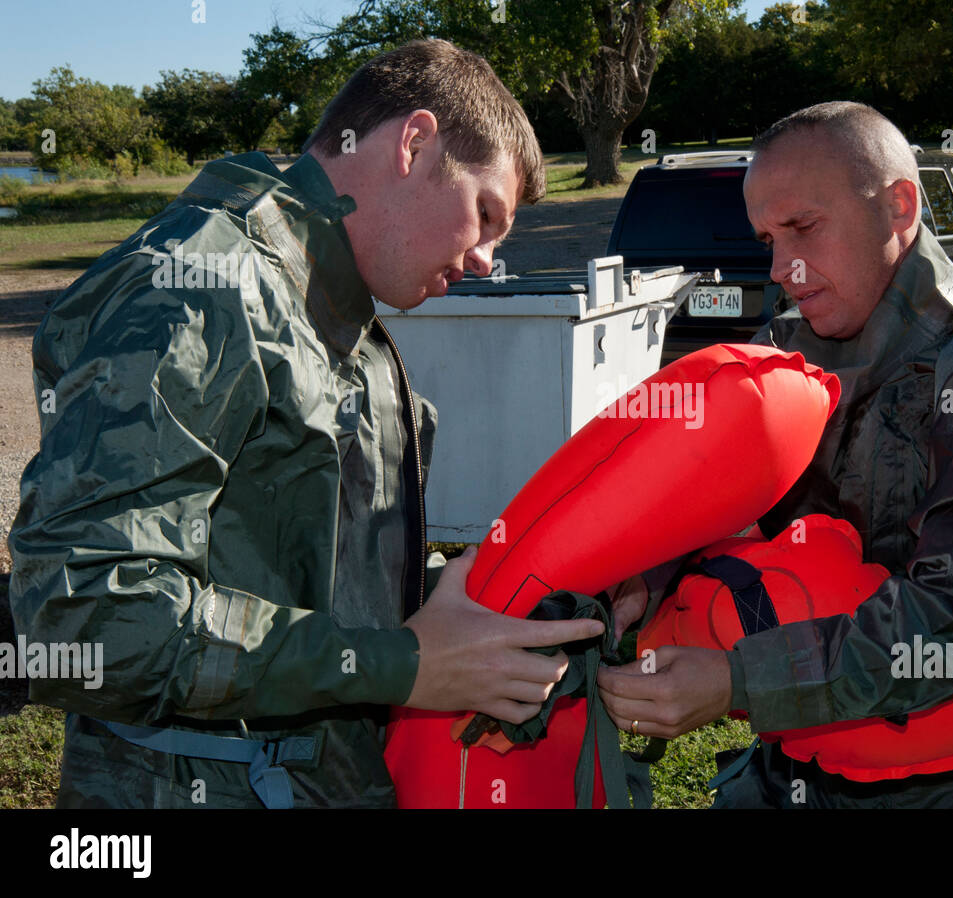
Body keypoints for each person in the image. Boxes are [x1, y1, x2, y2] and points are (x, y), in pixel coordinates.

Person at [7, 39, 603, 809]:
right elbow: (89, 614)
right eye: (485, 213)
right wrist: (400, 664)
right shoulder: (200, 288)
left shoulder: (331, 309)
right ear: (414, 143)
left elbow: (295, 578)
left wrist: (487, 611)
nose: (488, 258)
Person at [597, 102, 953, 808]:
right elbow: (717, 496)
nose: (780, 267)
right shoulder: (786, 352)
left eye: (801, 227)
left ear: (899, 206)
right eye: (767, 238)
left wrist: (741, 680)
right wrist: (646, 578)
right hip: (801, 768)